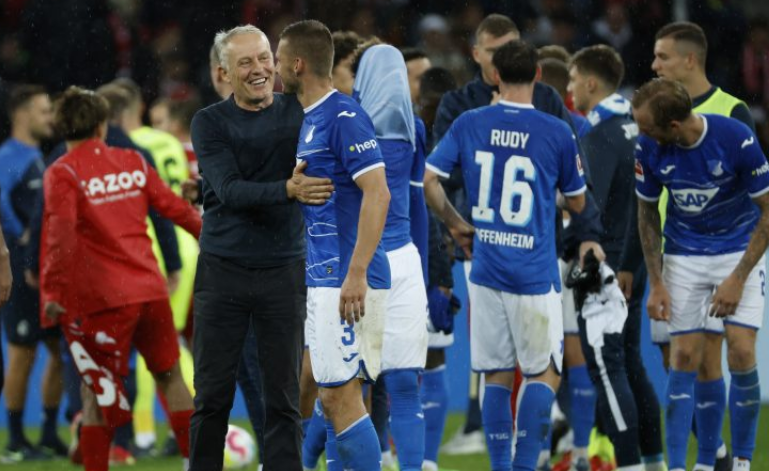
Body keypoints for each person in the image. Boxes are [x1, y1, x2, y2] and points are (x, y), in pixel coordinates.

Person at [433, 13, 604, 458]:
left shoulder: (469, 120)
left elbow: (430, 179)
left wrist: (455, 222)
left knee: (495, 375)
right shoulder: (555, 127)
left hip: (484, 265)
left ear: (495, 71)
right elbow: (580, 200)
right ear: (539, 72)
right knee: (544, 374)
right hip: (534, 268)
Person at [189, 25, 332, 471]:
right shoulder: (208, 122)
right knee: (212, 398)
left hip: (283, 270)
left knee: (284, 399)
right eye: (246, 62)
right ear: (224, 73)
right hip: (223, 271)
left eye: (265, 58)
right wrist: (287, 190)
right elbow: (229, 191)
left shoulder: (301, 112)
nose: (259, 69)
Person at [40, 86, 201, 471]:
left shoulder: (61, 172)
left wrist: (51, 292)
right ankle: (197, 464)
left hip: (103, 299)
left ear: (62, 127)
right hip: (150, 289)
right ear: (101, 124)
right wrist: (214, 239)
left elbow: (59, 236)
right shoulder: (131, 160)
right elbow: (174, 209)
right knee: (171, 376)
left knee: (96, 392)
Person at [634, 78, 767, 471]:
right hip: (684, 254)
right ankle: (691, 465)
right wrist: (656, 283)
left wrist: (738, 277)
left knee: (741, 351)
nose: (640, 134)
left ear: (673, 127)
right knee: (685, 357)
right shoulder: (648, 148)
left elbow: (768, 211)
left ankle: (742, 461)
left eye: (646, 127)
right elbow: (646, 215)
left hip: (736, 251)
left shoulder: (735, 138)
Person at [276, 19, 392, 471]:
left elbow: (377, 191)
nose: (276, 67)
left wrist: (357, 272)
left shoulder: (342, 116)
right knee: (336, 393)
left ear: (298, 63)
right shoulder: (310, 119)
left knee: (339, 397)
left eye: (280, 58)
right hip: (328, 273)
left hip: (344, 276)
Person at [567, 44, 665, 471]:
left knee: (607, 369)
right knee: (630, 362)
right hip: (635, 262)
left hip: (605, 268)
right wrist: (632, 264)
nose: (570, 89)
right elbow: (641, 205)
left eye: (573, 80)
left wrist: (608, 263)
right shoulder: (633, 126)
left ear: (591, 82)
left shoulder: (598, 136)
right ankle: (654, 458)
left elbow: (592, 207)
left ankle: (628, 464)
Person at [352, 42, 428, 471]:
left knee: (343, 385)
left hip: (357, 261)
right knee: (404, 385)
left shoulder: (346, 124)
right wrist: (429, 269)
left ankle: (309, 463)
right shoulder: (414, 127)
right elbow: (417, 204)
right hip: (404, 259)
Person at [0, 84, 67, 461]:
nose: (50, 119)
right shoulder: (9, 156)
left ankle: (47, 432)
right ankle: (13, 439)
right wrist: (21, 235)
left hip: (45, 272)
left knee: (59, 351)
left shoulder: (39, 157)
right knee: (22, 353)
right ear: (23, 113)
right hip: (19, 269)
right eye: (43, 111)